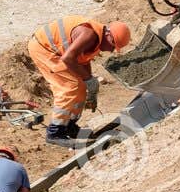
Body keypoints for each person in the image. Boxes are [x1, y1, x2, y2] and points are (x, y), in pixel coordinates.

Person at [27, 15, 132, 146]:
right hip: (43, 48)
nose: (111, 50)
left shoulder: (97, 39)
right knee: (69, 87)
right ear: (108, 35)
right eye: (113, 45)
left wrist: (90, 84)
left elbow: (83, 60)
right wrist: (88, 79)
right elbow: (68, 58)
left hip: (57, 51)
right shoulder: (89, 35)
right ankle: (55, 132)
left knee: (81, 86)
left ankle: (69, 126)